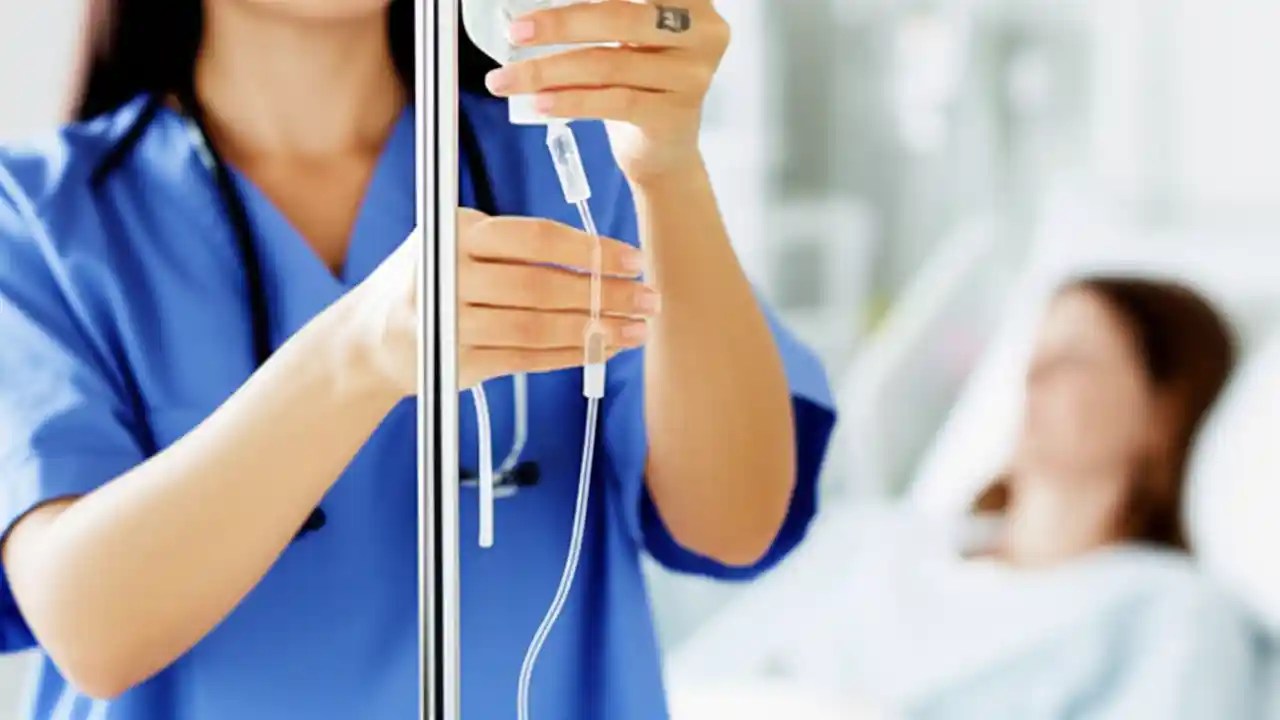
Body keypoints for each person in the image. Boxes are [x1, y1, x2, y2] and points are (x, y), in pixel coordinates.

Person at [0, 1, 835, 719]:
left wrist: (670, 167)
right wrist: (356, 353)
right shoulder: (36, 220)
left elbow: (733, 523)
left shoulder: (571, 162)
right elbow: (90, 626)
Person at [810, 277, 1258, 719]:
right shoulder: (883, 545)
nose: (1034, 375)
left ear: (1164, 412)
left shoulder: (1173, 615)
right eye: (1036, 353)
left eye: (1073, 360)